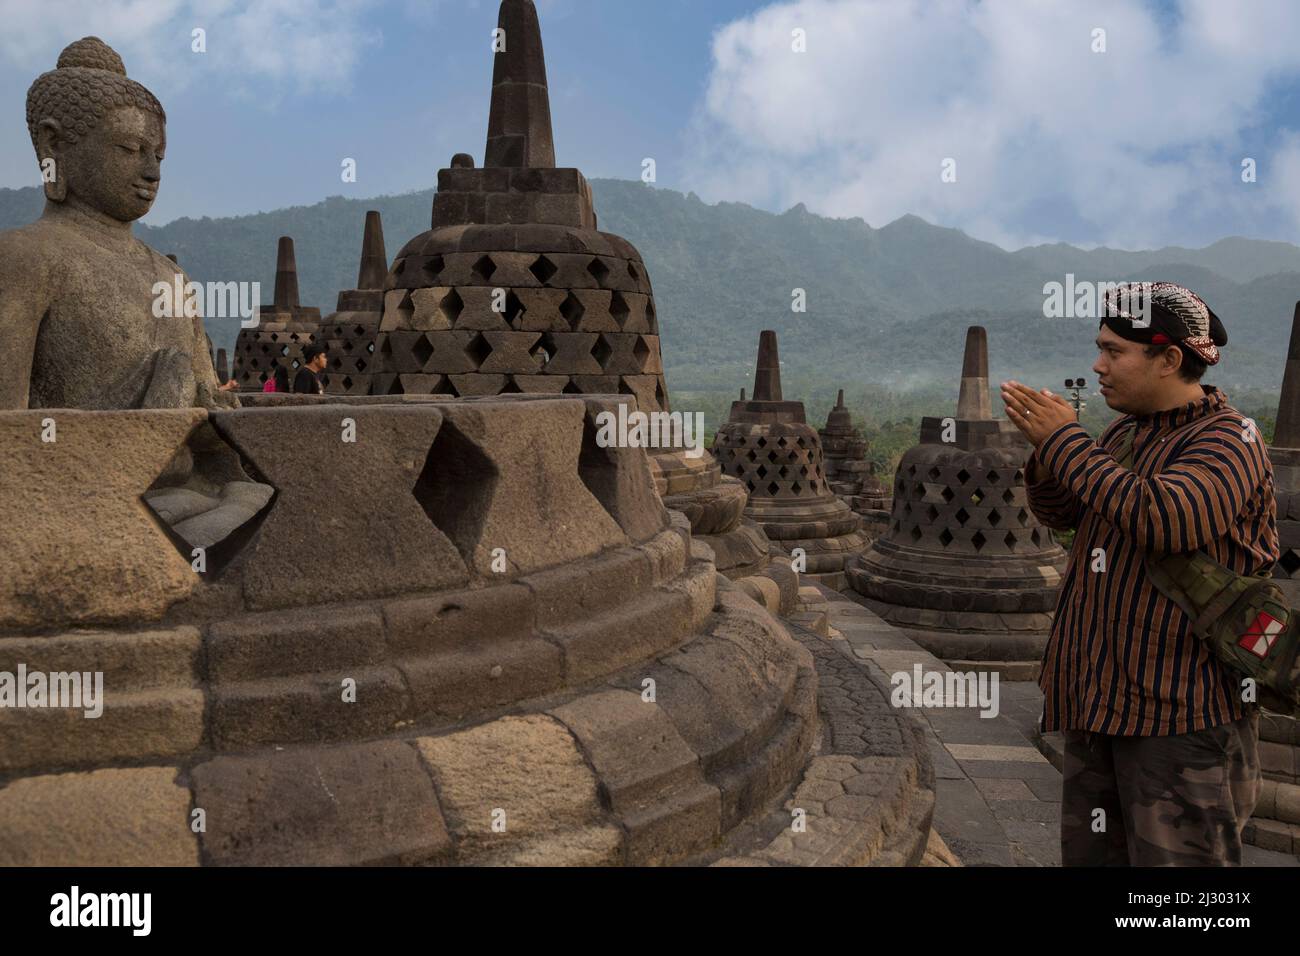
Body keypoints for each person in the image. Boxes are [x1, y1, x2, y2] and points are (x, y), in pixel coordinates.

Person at [1001, 281, 1278, 866]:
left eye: (1114, 351)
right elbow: (1064, 514)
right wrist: (1047, 455)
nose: (1098, 366)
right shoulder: (1124, 434)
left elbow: (1167, 518)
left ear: (1169, 358)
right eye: (1099, 348)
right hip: (1102, 702)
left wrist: (1067, 444)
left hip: (1180, 716)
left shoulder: (1229, 438)